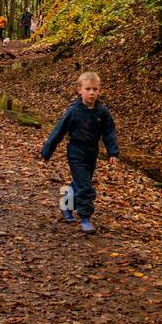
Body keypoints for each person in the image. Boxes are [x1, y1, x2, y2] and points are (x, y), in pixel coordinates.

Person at [38, 71, 119, 235]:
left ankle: (66, 204)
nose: (91, 92)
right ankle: (85, 218)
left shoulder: (102, 112)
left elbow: (109, 132)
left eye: (95, 89)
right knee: (85, 186)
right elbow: (58, 131)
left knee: (81, 183)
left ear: (99, 91)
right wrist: (47, 151)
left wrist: (113, 152)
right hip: (76, 151)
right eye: (88, 89)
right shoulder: (73, 111)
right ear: (79, 90)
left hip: (92, 152)